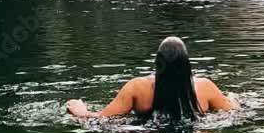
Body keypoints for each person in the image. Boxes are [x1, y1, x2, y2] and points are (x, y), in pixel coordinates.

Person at [66, 36, 239, 122]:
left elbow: (101, 119)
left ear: (158, 63)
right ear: (187, 64)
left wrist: (80, 110)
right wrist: (233, 99)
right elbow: (232, 112)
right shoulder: (205, 87)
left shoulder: (136, 87)